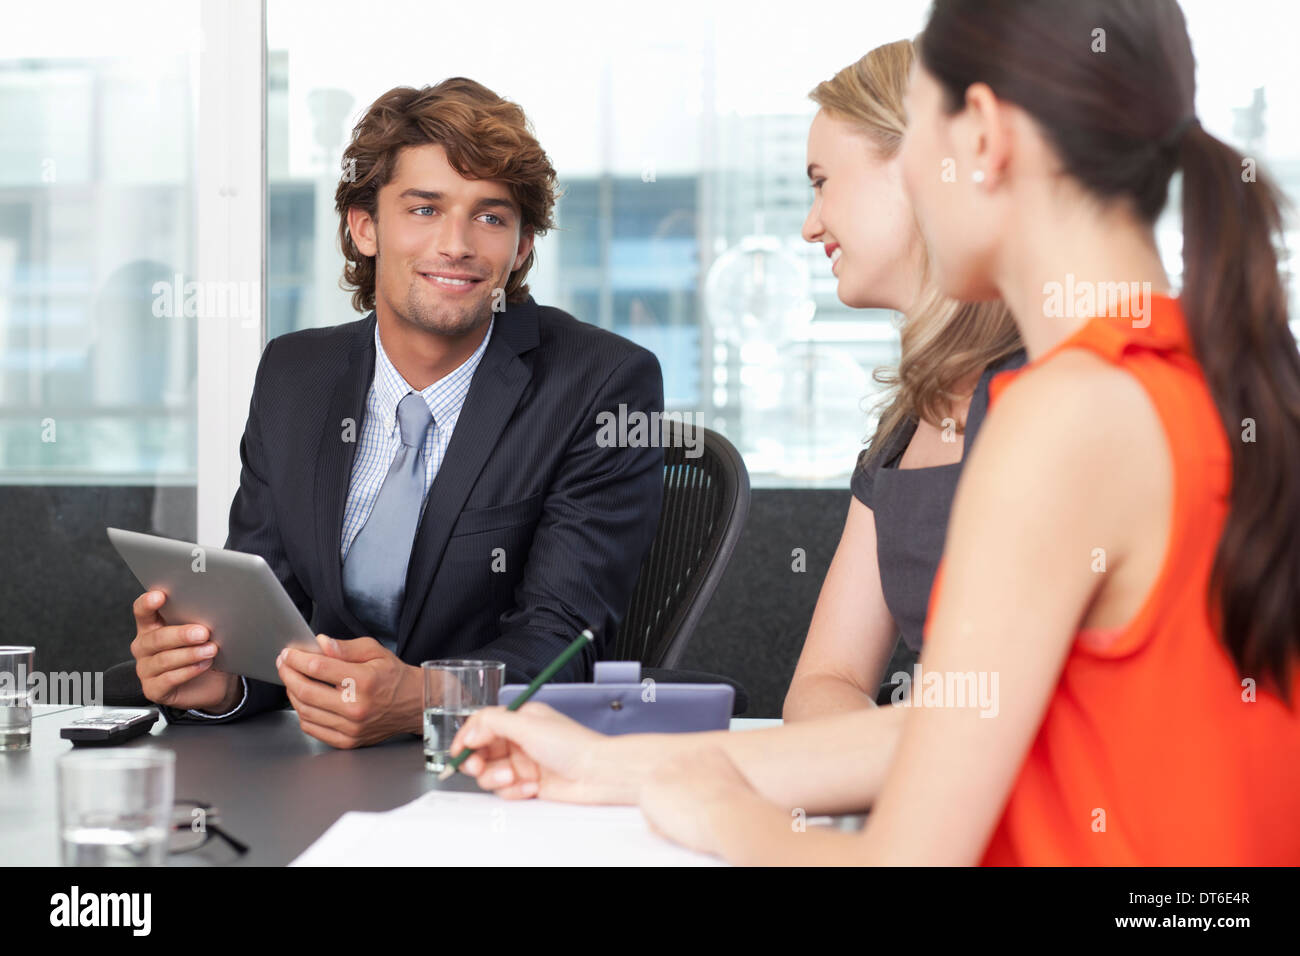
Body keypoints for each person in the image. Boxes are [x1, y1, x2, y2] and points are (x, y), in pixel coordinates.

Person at [451, 0, 1300, 865]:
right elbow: (943, 731)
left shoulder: (1064, 415)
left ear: (982, 137)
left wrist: (714, 811)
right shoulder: (1188, 377)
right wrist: (610, 765)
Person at [129, 78, 665, 748]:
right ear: (364, 227)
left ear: (522, 247)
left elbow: (565, 643)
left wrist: (424, 700)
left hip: (494, 774)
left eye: (491, 217)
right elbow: (277, 619)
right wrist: (223, 681)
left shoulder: (599, 383)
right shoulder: (296, 376)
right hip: (317, 775)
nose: (457, 244)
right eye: (424, 209)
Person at [785, 39, 1024, 720]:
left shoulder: (1048, 397)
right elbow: (824, 680)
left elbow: (1006, 724)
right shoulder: (904, 424)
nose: (811, 224)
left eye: (822, 181)